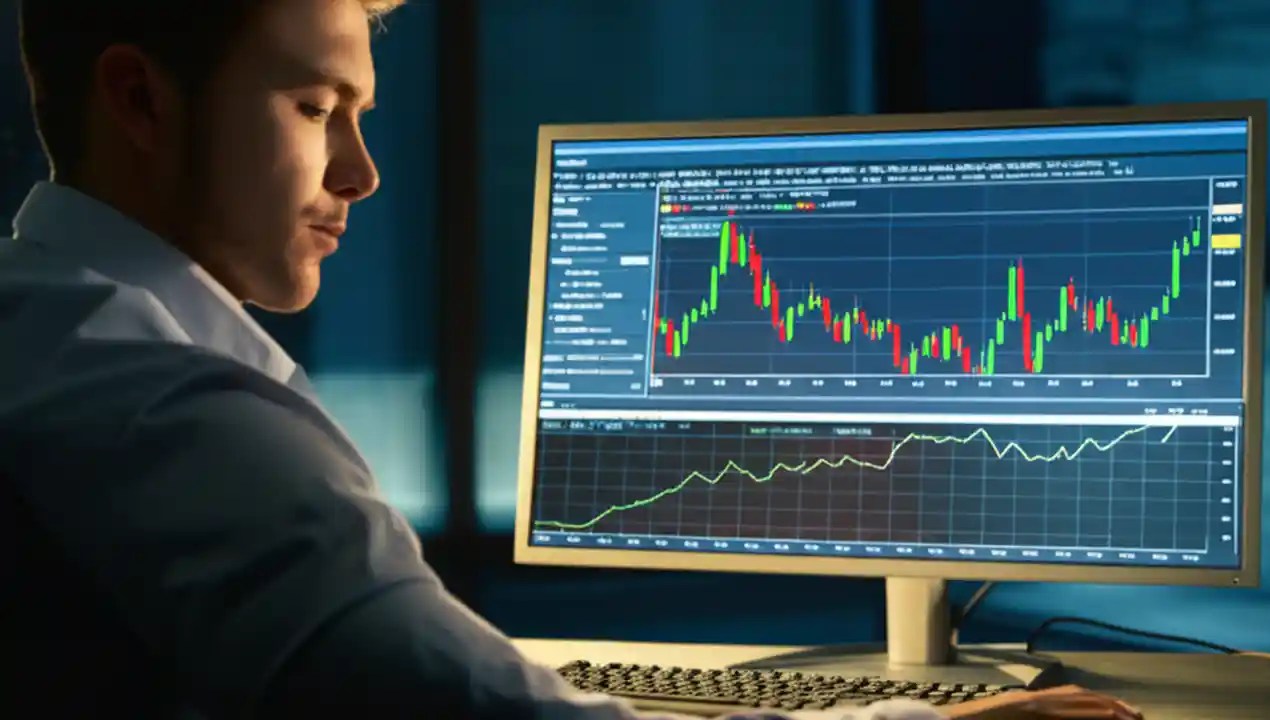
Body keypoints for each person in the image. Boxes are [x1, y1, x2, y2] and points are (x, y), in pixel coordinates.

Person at [0, 1, 1143, 719]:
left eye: (360, 115)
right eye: (314, 107)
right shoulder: (169, 406)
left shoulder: (53, 329)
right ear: (141, 100)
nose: (361, 174)